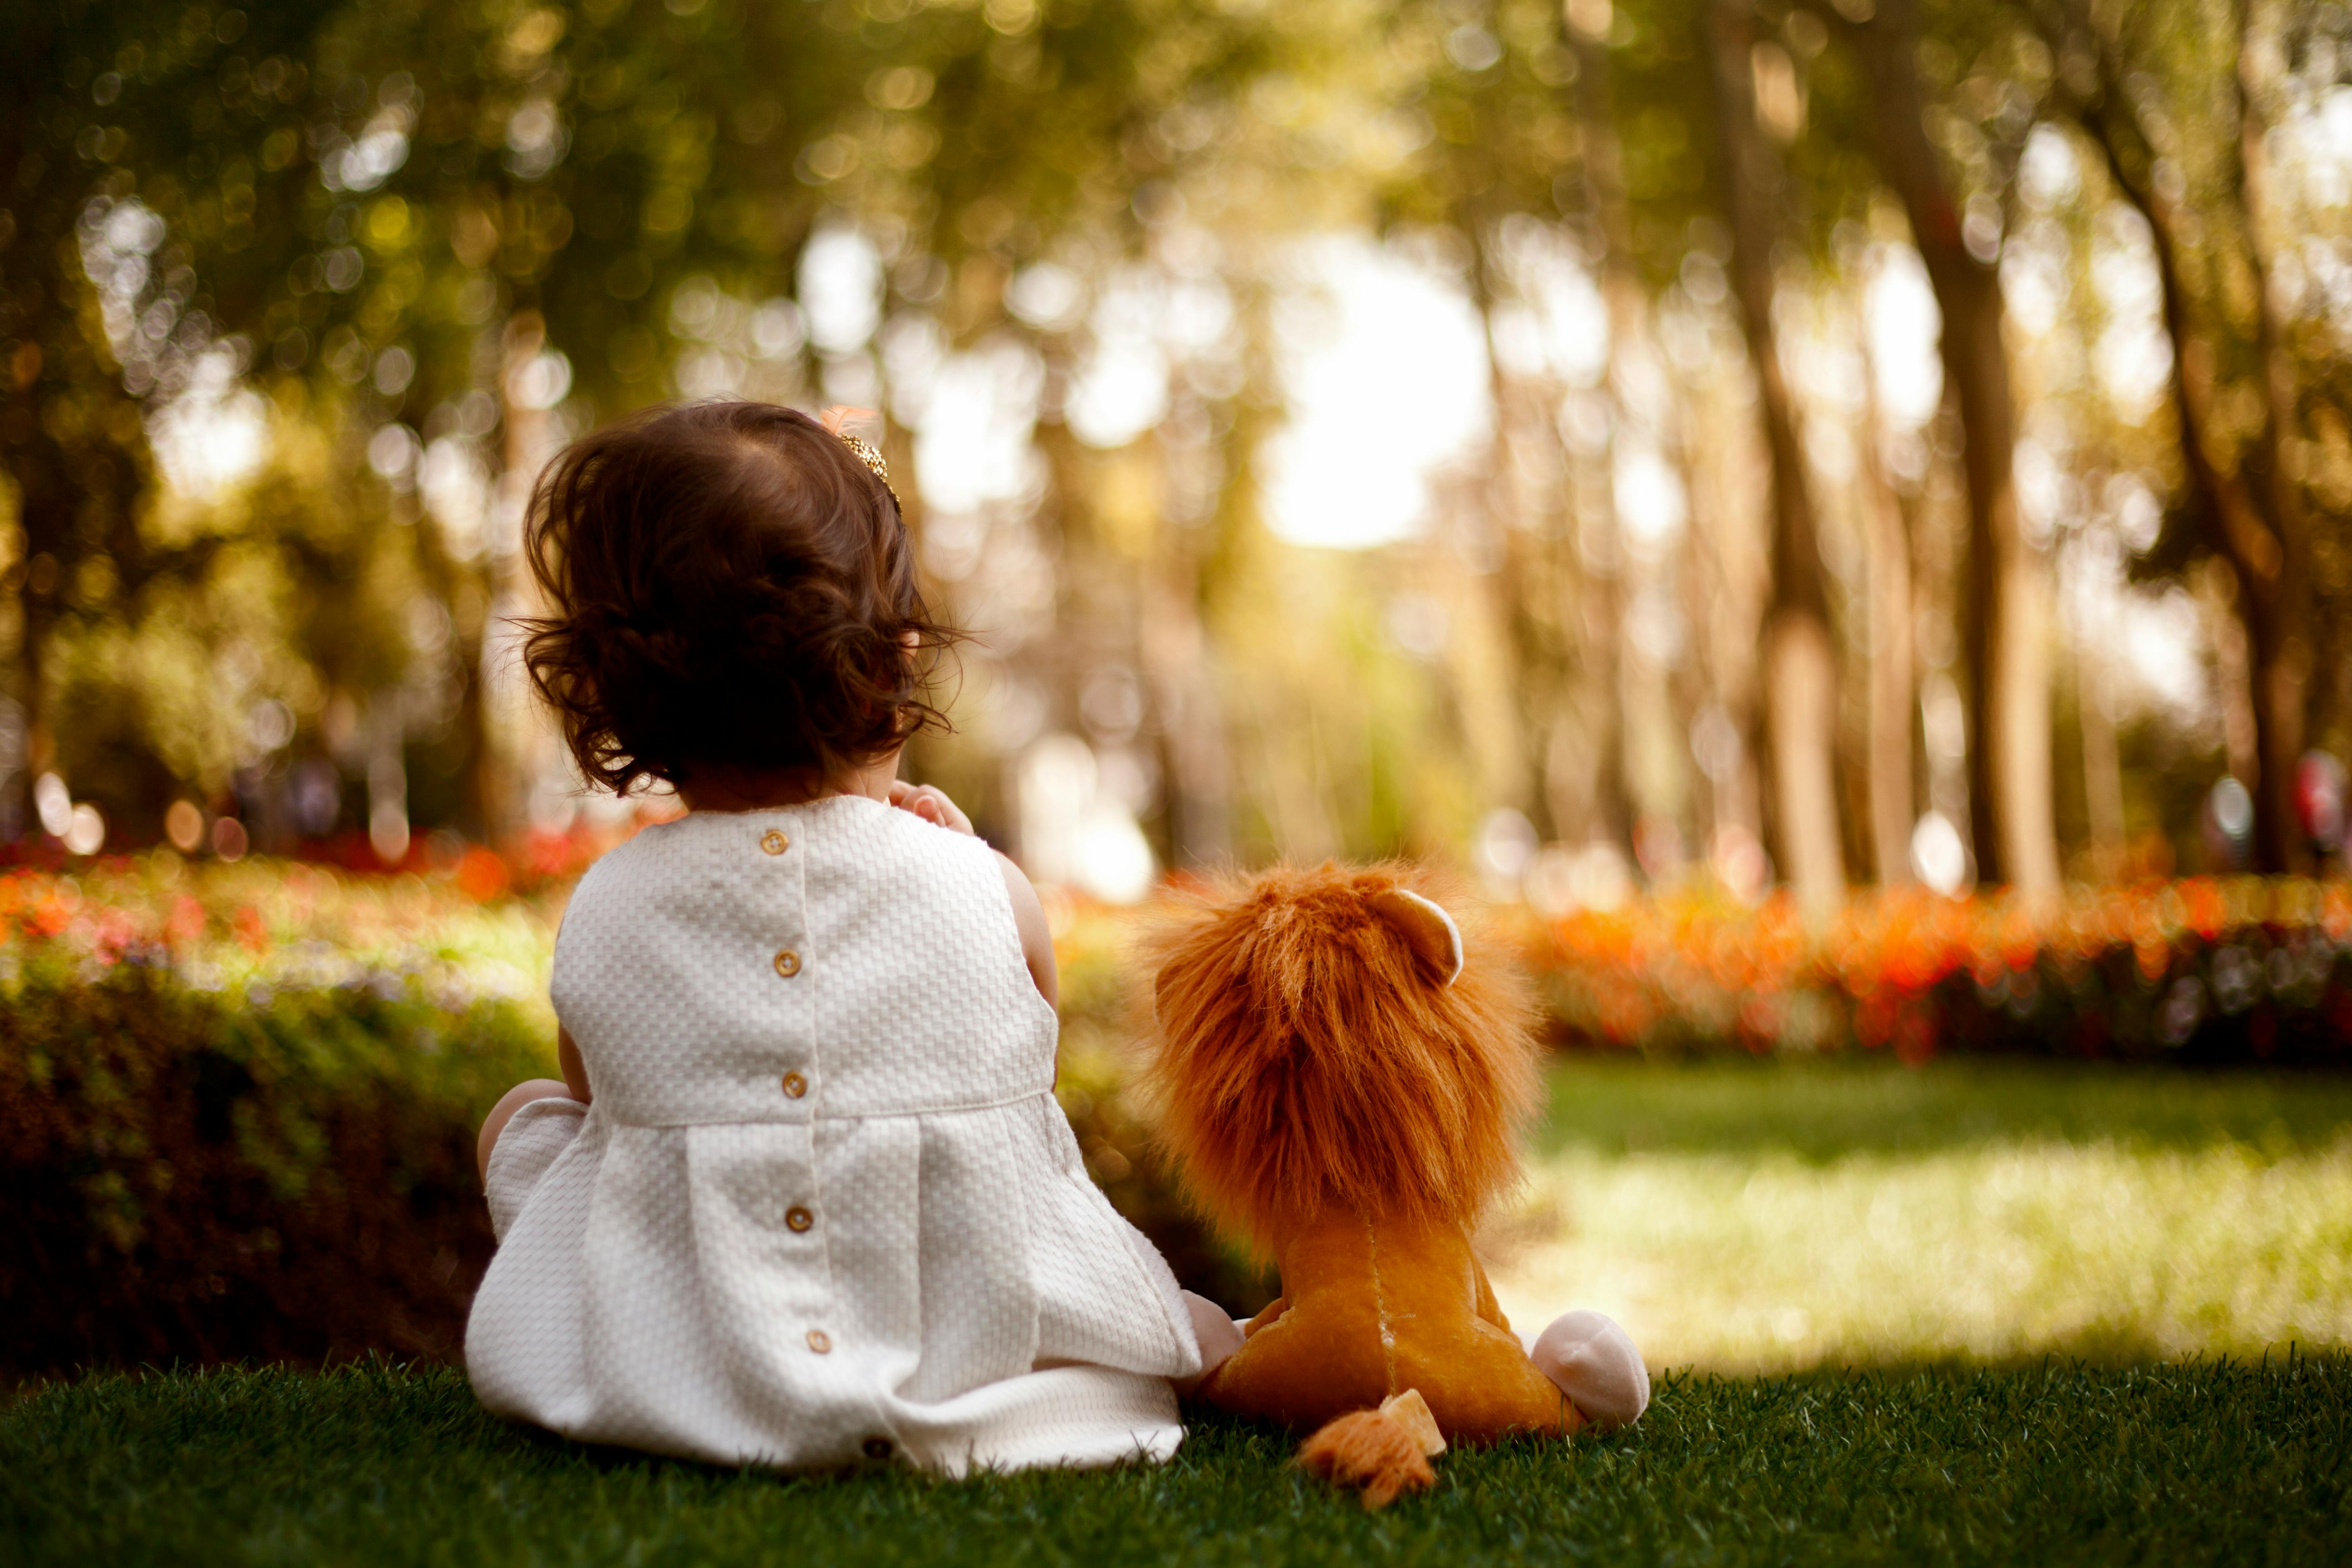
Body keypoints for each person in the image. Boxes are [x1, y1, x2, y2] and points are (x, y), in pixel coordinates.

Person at [466, 401, 1210, 1475]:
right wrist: (950, 869)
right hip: (974, 1355)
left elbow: (600, 1111)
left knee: (525, 1121)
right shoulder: (988, 889)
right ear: (896, 660)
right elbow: (1023, 1068)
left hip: (687, 1377)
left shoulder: (608, 904)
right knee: (1128, 1264)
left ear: (626, 695)